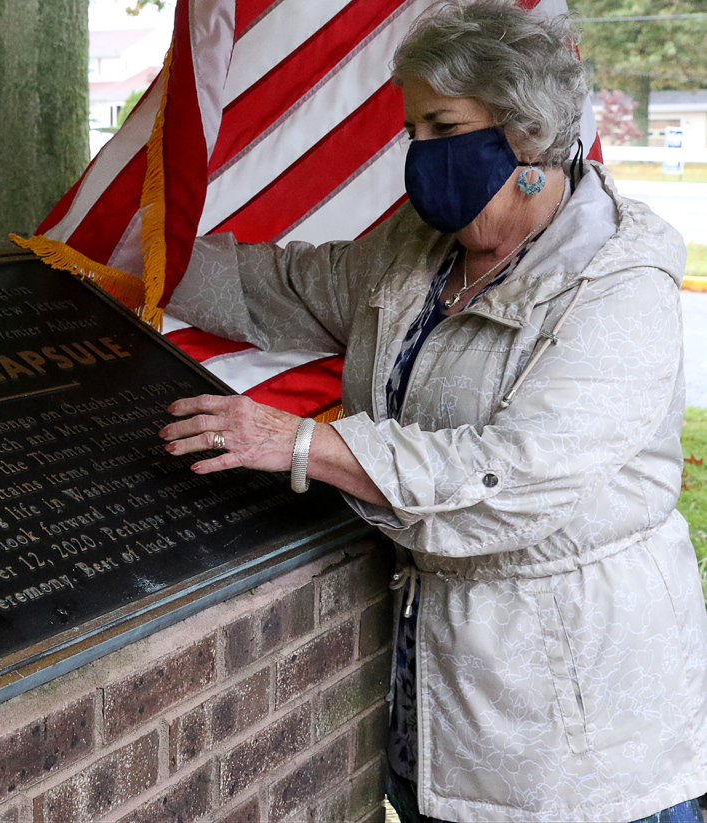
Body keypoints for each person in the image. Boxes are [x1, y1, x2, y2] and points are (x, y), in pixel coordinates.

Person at [158, 2, 707, 821]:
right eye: (412, 128)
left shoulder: (618, 287)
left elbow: (508, 482)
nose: (419, 155)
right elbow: (272, 289)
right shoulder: (415, 252)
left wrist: (305, 443)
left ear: (525, 133)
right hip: (438, 714)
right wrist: (137, 254)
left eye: (442, 125)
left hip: (576, 744)